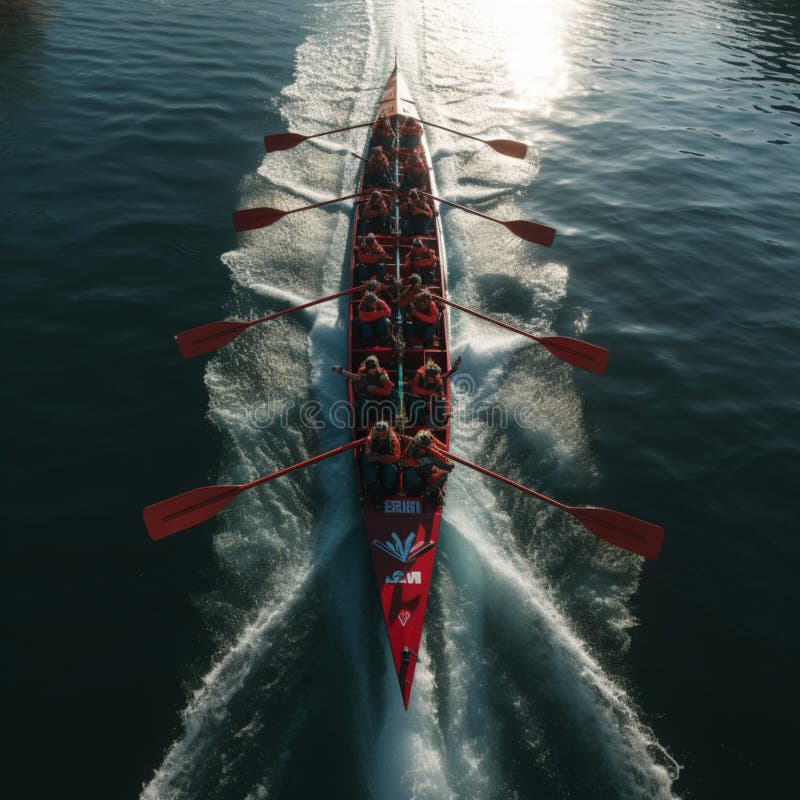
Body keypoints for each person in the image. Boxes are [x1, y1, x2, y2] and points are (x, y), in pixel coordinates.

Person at [331, 355, 398, 426]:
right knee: (361, 407)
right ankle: (361, 425)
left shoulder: (382, 375)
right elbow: (356, 378)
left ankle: (392, 418)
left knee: (394, 394)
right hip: (366, 397)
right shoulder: (362, 371)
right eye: (370, 369)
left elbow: (389, 391)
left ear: (377, 367)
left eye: (374, 368)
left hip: (380, 398)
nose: (372, 371)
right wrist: (342, 371)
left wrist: (376, 389)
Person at [400, 429, 454, 503]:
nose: (423, 450)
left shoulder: (430, 449)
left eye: (424, 448)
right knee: (410, 472)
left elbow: (446, 461)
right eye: (421, 448)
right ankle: (413, 494)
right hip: (413, 476)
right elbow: (402, 462)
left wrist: (449, 464)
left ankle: (433, 493)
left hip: (426, 473)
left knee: (442, 471)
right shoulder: (410, 449)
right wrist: (419, 462)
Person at [406, 355, 462, 427]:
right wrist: (431, 393)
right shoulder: (419, 375)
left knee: (438, 407)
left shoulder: (438, 379)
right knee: (414, 405)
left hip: (430, 397)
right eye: (430, 378)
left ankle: (437, 420)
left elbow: (441, 396)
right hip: (416, 395)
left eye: (434, 378)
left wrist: (441, 409)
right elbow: (414, 389)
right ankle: (413, 423)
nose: (432, 380)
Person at [361, 420, 401, 508]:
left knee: (392, 469)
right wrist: (377, 457)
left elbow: (396, 457)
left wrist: (380, 457)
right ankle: (373, 489)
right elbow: (368, 456)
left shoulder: (393, 439)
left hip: (387, 463)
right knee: (365, 463)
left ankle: (386, 491)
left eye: (384, 436)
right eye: (380, 437)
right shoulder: (370, 439)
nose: (382, 439)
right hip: (375, 463)